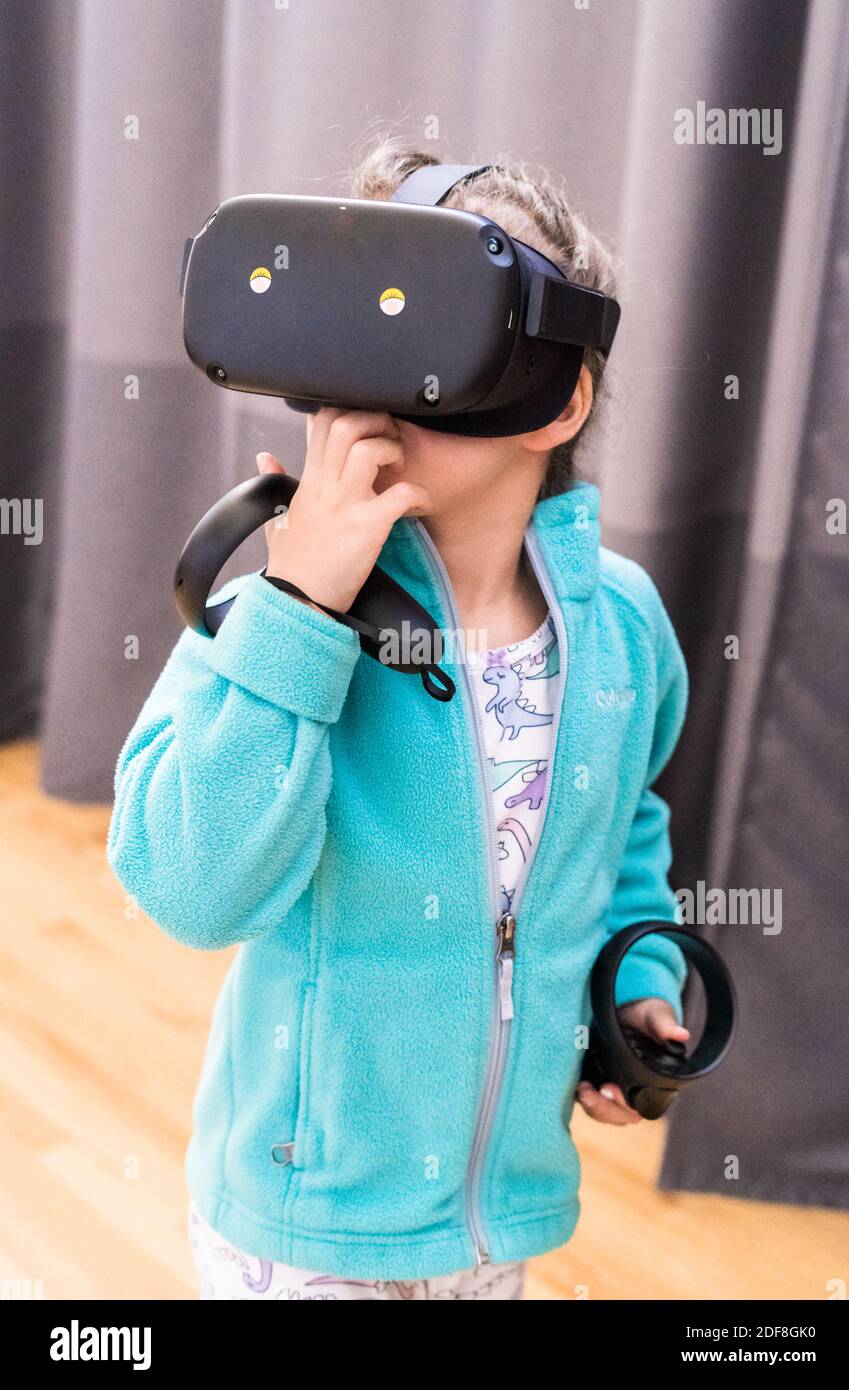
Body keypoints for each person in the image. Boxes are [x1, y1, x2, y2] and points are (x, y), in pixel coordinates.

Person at [108, 141, 690, 1301]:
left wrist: (637, 972)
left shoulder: (621, 630)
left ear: (555, 396)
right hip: (303, 1224)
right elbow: (185, 887)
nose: (377, 384)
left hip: (498, 1214)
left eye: (424, 320)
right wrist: (297, 608)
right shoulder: (274, 621)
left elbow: (624, 826)